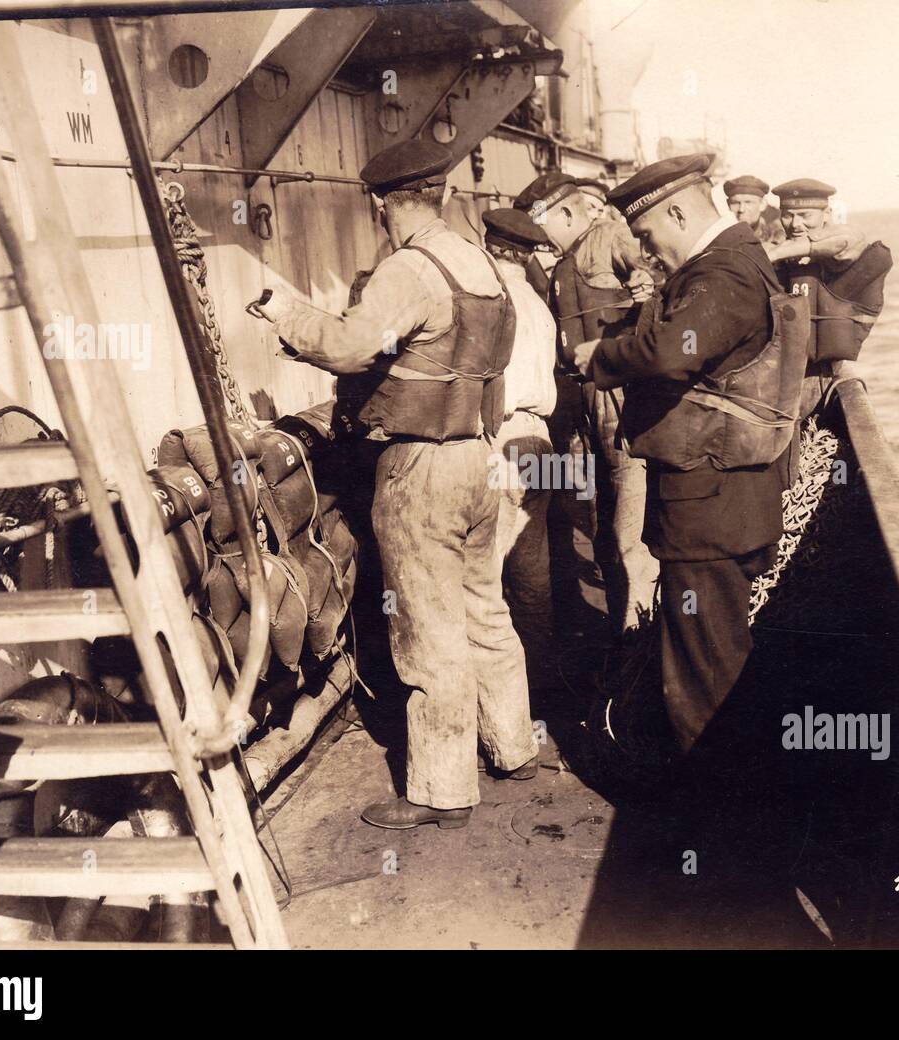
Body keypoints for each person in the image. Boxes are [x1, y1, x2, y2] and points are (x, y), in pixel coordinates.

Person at [247, 139, 537, 830]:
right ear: (438, 194)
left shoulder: (410, 267)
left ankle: (441, 791)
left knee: (427, 629)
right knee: (484, 610)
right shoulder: (482, 264)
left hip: (420, 467)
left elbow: (352, 345)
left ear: (382, 205)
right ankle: (516, 746)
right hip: (478, 455)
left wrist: (285, 315)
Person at [571, 153, 802, 754]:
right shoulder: (743, 258)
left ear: (677, 210)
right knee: (715, 648)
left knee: (706, 666)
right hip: (729, 492)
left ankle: (722, 814)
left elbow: (678, 349)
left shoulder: (720, 271)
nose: (647, 254)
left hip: (709, 502)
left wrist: (603, 357)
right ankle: (731, 795)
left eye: (649, 237)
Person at [515, 170, 660, 639]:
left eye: (543, 225)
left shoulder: (608, 235)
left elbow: (656, 268)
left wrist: (646, 282)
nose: (541, 238)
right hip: (587, 403)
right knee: (601, 528)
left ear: (567, 212)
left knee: (628, 531)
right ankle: (619, 633)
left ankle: (639, 640)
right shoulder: (563, 263)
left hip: (620, 396)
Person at [480, 208, 559, 693]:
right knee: (533, 569)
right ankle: (542, 680)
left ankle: (504, 696)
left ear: (489, 249)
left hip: (501, 437)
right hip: (540, 437)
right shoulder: (539, 303)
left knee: (487, 574)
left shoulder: (490, 300)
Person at [768, 178, 893, 408]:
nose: (795, 224)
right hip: (775, 382)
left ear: (826, 214)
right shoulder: (776, 256)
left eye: (805, 215)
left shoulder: (839, 260)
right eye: (787, 215)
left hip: (822, 382)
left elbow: (851, 239)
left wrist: (783, 252)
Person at [723, 174, 781, 244]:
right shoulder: (721, 237)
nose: (741, 209)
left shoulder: (775, 237)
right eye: (736, 203)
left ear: (762, 204)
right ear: (728, 204)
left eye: (748, 202)